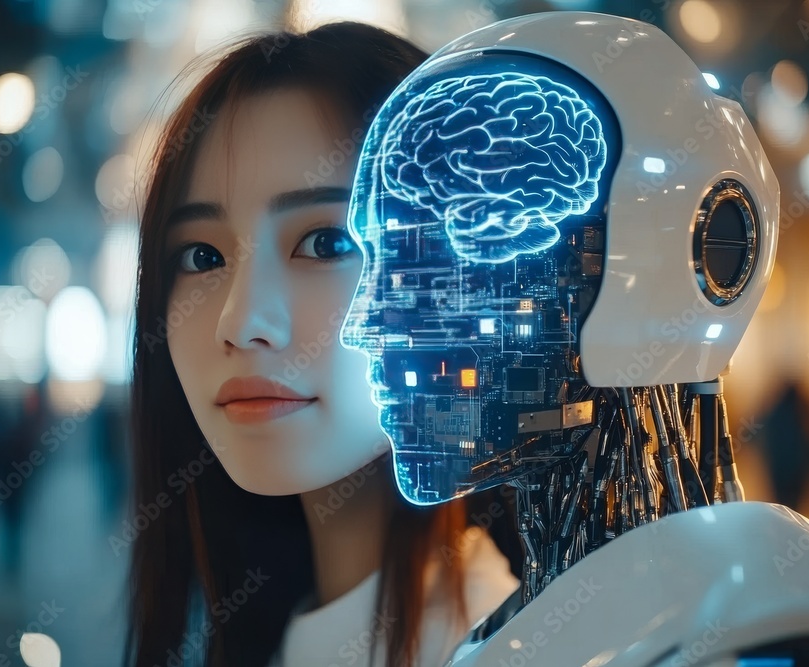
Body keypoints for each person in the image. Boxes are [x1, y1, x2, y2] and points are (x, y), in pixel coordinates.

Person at [125, 21, 520, 667]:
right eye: (202, 255)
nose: (242, 319)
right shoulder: (274, 630)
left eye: (327, 243)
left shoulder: (519, 648)